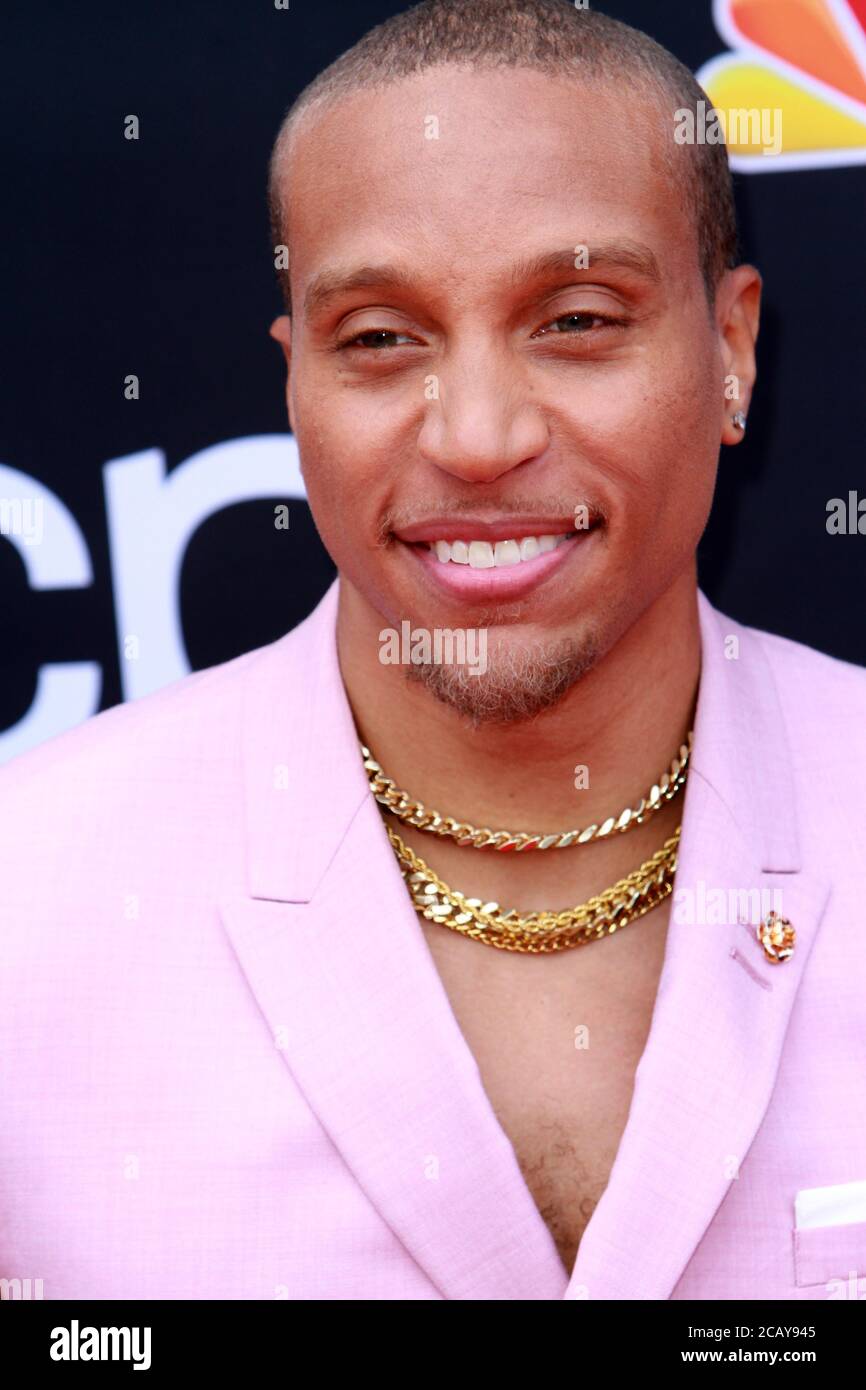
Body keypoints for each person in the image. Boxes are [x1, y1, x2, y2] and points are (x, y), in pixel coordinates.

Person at [1, 0, 864, 1303]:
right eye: (381, 339)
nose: (472, 434)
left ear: (731, 346)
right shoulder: (31, 893)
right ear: (296, 387)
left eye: (575, 318)